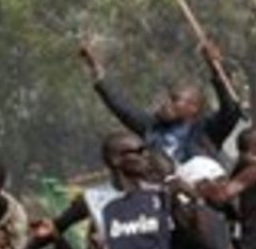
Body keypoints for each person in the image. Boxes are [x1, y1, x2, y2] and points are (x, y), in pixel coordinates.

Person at [80, 41, 241, 165]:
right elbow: (121, 107)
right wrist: (96, 70)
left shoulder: (206, 131)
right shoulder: (151, 127)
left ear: (193, 108)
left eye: (175, 99)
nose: (166, 103)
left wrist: (214, 67)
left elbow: (230, 110)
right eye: (168, 97)